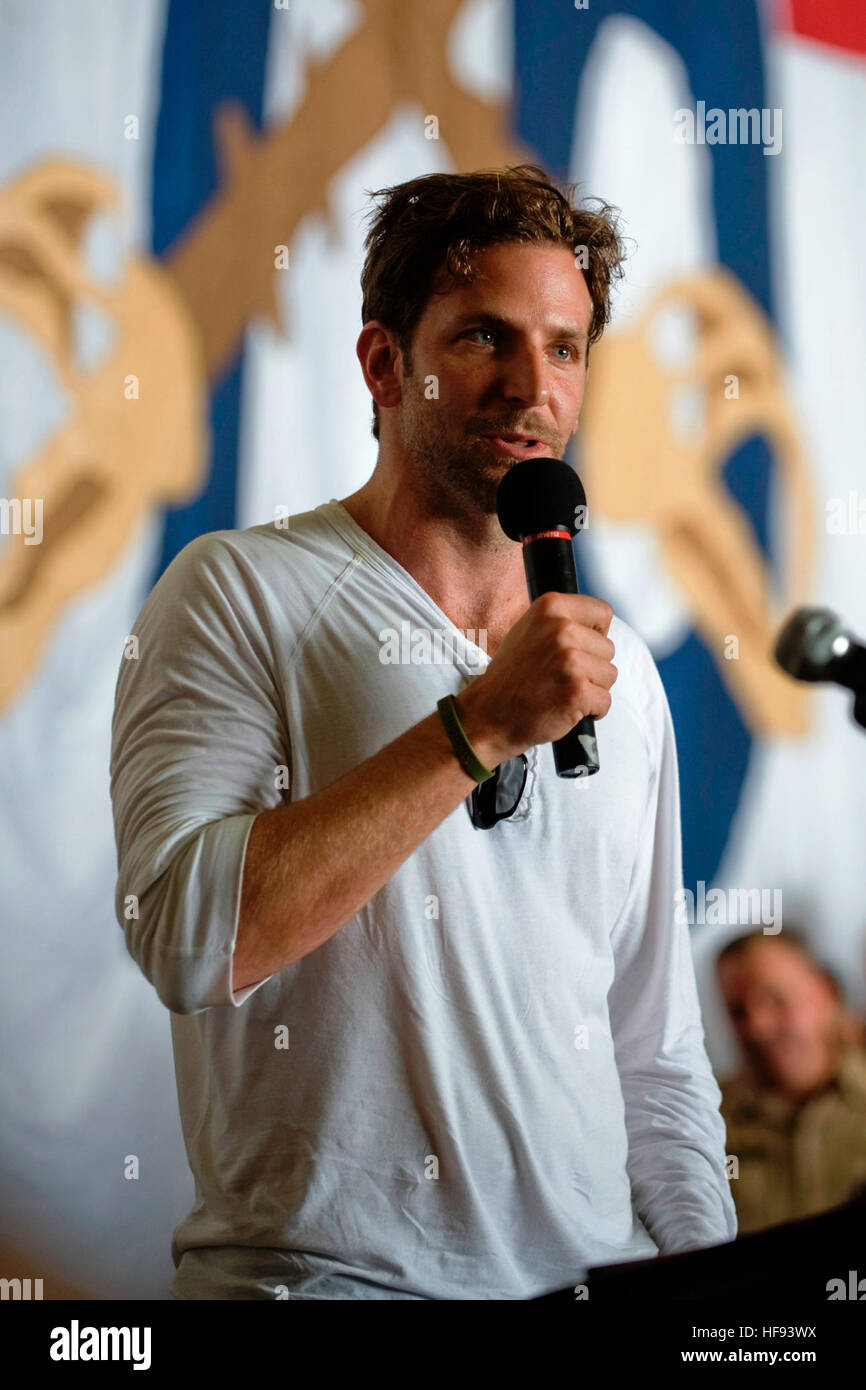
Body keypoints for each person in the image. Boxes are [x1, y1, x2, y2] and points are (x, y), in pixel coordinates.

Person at [109, 164, 736, 1300]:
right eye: (483, 338)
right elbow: (187, 941)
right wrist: (479, 725)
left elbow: (652, 1053)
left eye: (563, 347)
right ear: (383, 364)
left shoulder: (620, 675)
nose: (529, 386)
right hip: (325, 1282)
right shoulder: (239, 592)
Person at [716, 927, 866, 1234]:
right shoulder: (707, 1125)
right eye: (738, 1011)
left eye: (775, 1000)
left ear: (826, 991)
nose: (758, 1027)